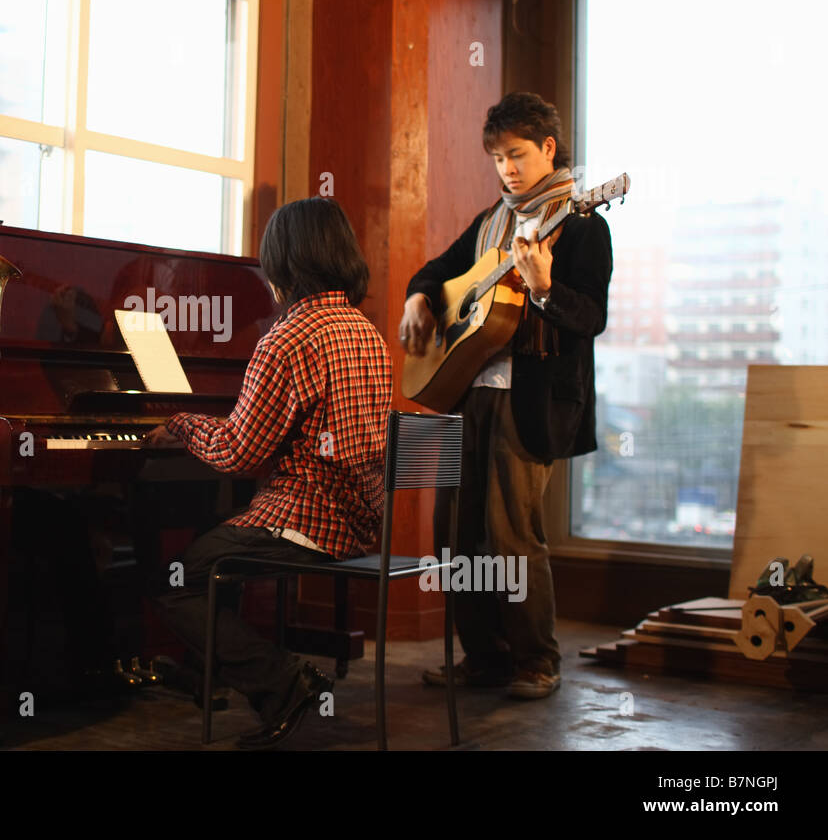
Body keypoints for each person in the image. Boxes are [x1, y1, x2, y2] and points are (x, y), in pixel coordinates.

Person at [146, 196, 392, 749]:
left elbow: (238, 452)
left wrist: (180, 426)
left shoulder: (289, 336)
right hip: (365, 517)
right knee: (217, 545)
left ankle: (283, 684)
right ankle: (209, 669)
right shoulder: (365, 331)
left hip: (311, 520)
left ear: (283, 262)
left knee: (178, 580)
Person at [399, 91, 612, 699]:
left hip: (532, 399)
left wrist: (545, 290)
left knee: (512, 531)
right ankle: (484, 655)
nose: (506, 170)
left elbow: (591, 317)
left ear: (548, 148)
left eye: (516, 156)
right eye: (496, 159)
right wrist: (418, 297)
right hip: (469, 392)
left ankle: (536, 660)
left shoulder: (583, 226)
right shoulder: (492, 220)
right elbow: (435, 271)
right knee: (455, 531)